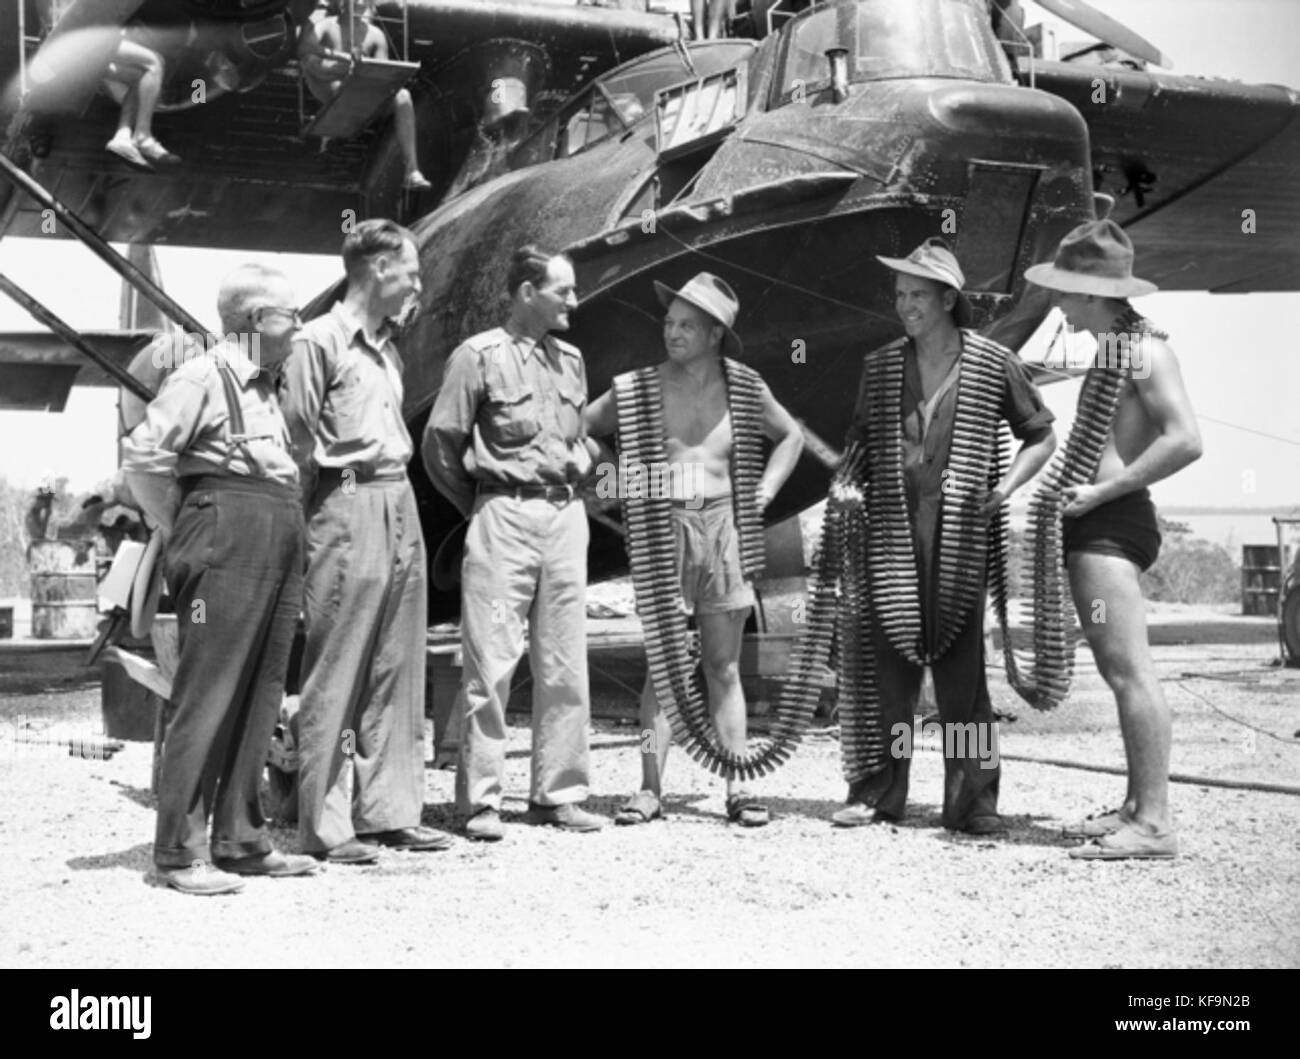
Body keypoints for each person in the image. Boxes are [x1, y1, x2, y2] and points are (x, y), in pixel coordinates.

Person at [833, 237, 1057, 833]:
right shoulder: (880, 366)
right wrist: (846, 490)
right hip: (890, 542)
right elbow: (858, 445)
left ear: (948, 299)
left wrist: (1007, 489)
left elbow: (1041, 436)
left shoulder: (991, 363)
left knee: (965, 687)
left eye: (917, 295)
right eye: (900, 294)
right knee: (891, 679)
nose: (904, 305)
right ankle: (879, 794)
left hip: (960, 541)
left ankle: (975, 802)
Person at [120, 263, 316, 894]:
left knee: (262, 689)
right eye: (292, 313)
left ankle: (241, 838)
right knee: (207, 692)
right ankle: (178, 851)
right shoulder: (204, 375)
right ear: (258, 321)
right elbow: (145, 455)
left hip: (274, 529)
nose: (301, 324)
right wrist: (185, 526)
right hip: (223, 529)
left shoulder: (266, 386)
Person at [585, 273, 804, 826]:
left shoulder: (745, 385)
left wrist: (766, 491)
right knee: (663, 668)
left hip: (726, 527)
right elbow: (582, 427)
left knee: (723, 666)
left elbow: (791, 437)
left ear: (715, 334)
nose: (672, 333)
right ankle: (649, 789)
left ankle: (738, 788)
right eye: (669, 323)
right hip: (665, 528)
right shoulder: (641, 387)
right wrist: (619, 481)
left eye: (686, 325)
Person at [1025, 219, 1202, 860]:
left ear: (1094, 294)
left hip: (1109, 521)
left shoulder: (1146, 350)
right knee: (1115, 668)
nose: (1058, 303)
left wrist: (1102, 492)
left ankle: (1153, 823)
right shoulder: (1115, 347)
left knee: (1130, 671)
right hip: (1096, 518)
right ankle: (1134, 807)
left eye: (1066, 291)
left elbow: (1186, 438)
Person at [280, 218, 451, 863]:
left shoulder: (387, 347)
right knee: (340, 660)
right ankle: (323, 823)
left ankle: (390, 811)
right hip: (345, 498)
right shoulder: (316, 341)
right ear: (377, 269)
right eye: (408, 271)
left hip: (396, 494)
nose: (416, 283)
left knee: (398, 661)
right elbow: (296, 444)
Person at [422, 245, 602, 841]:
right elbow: (441, 444)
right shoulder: (477, 358)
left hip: (564, 517)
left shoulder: (571, 360)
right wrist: (484, 505)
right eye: (563, 291)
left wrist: (583, 459)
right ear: (527, 293)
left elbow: (577, 433)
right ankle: (481, 801)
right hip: (504, 516)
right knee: (491, 663)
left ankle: (559, 793)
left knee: (564, 663)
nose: (574, 301)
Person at [298, 0, 431, 190]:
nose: (360, 3)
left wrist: (366, 70)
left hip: (365, 93)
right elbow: (305, 52)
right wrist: (340, 62)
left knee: (403, 96)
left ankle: (412, 170)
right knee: (330, 76)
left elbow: (381, 76)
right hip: (331, 86)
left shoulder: (376, 35)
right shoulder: (326, 26)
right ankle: (330, 141)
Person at [103, 34, 180, 170]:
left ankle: (122, 137)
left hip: (90, 43)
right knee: (155, 61)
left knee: (141, 77)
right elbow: (199, 84)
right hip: (89, 39)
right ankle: (143, 136)